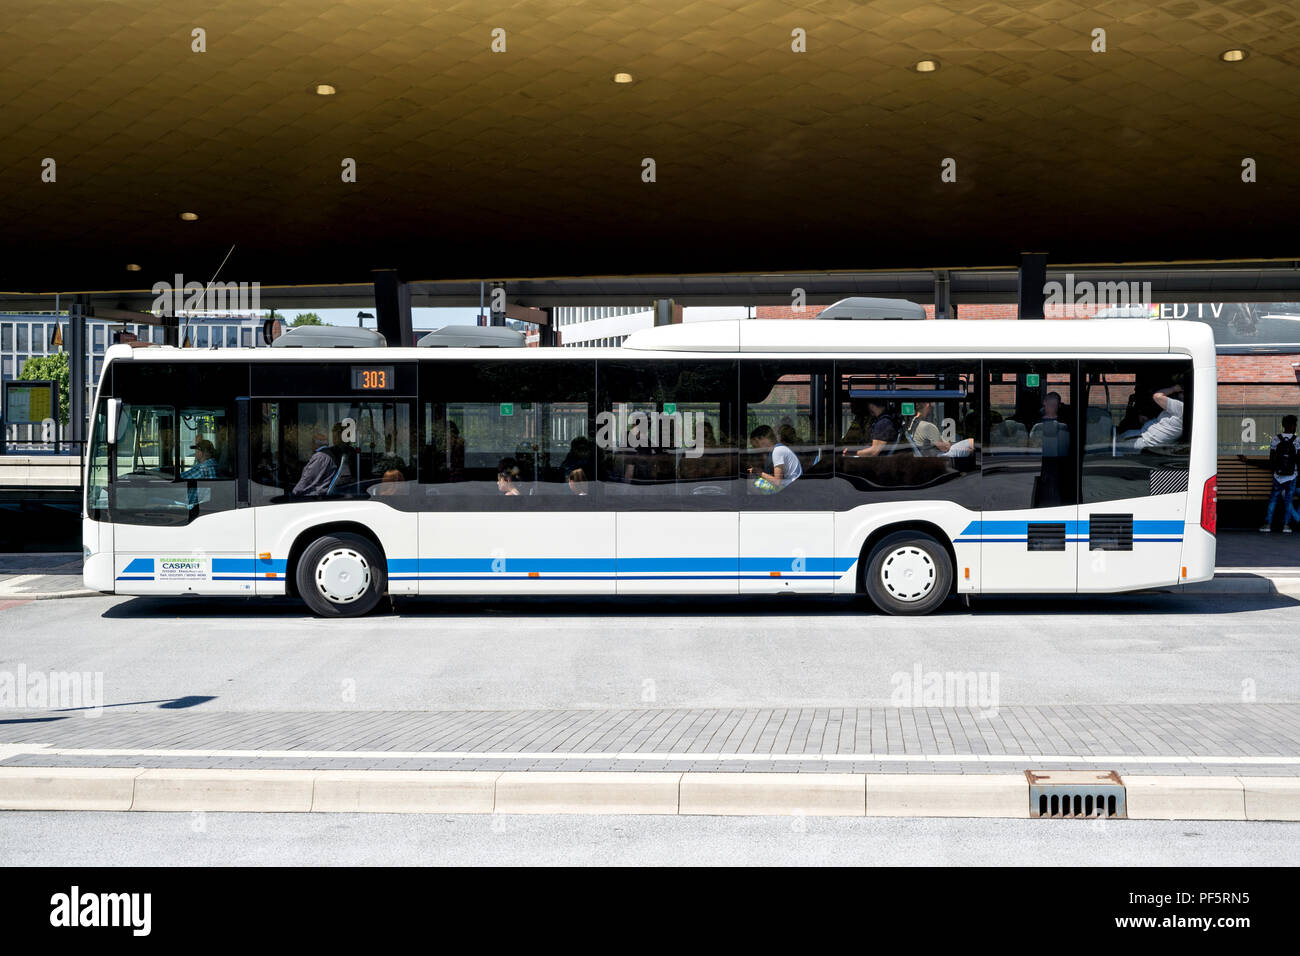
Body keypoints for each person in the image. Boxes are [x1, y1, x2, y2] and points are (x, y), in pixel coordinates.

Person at [1260, 415, 1299, 533]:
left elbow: (1271, 458)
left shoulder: (1276, 439)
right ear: (1293, 426)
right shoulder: (1297, 440)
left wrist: (1277, 469)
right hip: (1292, 475)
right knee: (1288, 500)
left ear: (1283, 425)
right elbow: (1299, 459)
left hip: (1278, 476)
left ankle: (1267, 524)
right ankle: (1286, 525)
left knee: (1273, 500)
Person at [293, 422, 353, 496]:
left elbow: (308, 478)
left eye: (335, 436)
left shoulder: (323, 455)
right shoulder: (331, 451)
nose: (333, 439)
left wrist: (294, 493)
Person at [1123, 385, 1185, 451]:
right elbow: (1165, 424)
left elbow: (1157, 396)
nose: (1178, 393)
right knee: (1116, 437)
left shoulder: (1181, 407)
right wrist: (1148, 421)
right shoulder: (1178, 408)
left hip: (1145, 443)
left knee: (1113, 446)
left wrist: (1174, 388)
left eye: (1181, 392)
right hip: (1141, 436)